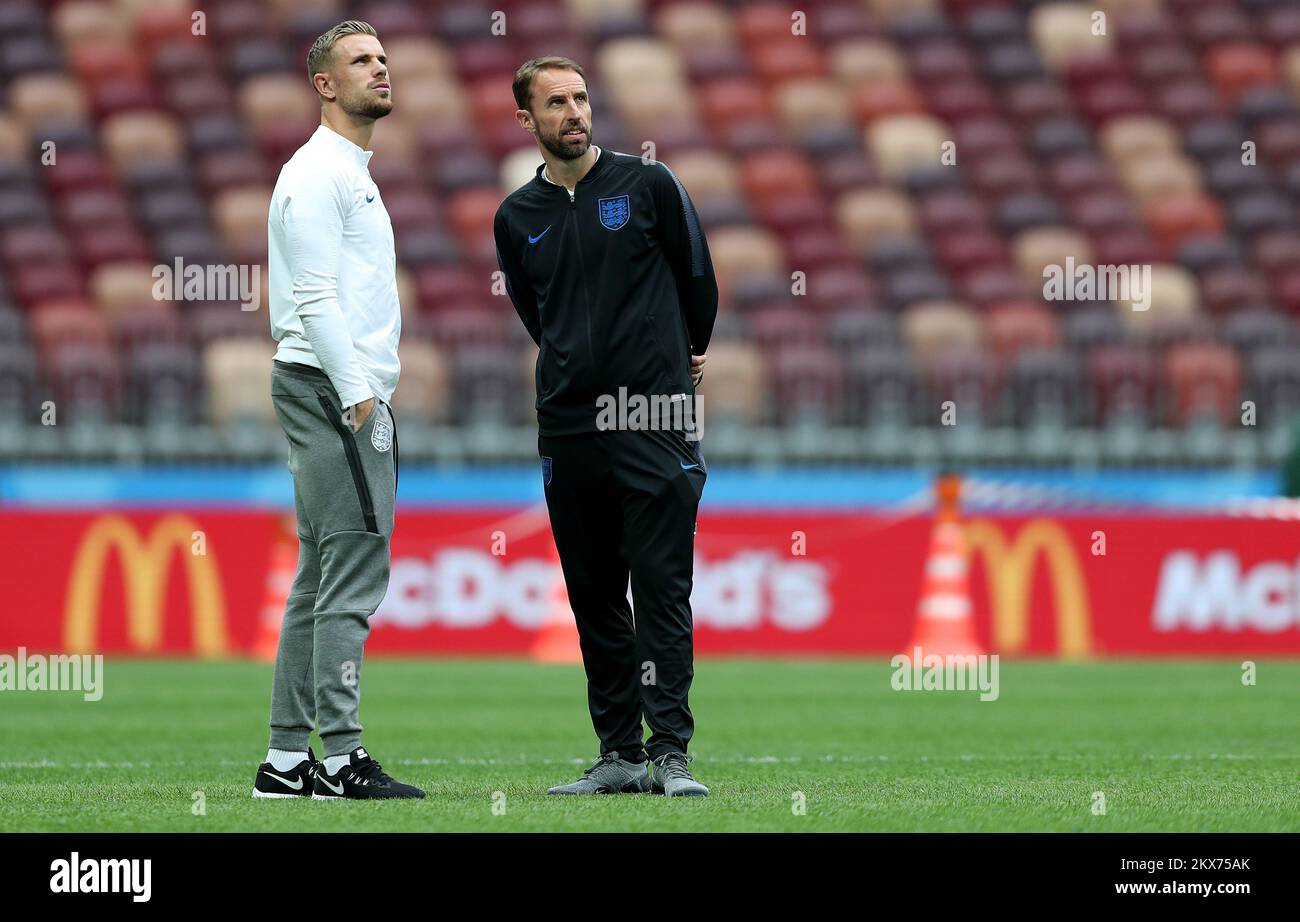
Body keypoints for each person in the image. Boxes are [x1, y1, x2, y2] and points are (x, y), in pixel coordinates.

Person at [493, 57, 719, 796]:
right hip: (568, 428)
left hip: (654, 417)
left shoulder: (648, 184)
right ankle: (619, 752)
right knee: (593, 596)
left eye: (581, 98)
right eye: (555, 103)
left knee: (661, 588)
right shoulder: (515, 218)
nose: (575, 112)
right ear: (527, 121)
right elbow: (538, 315)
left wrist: (683, 364)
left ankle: (671, 751)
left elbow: (698, 282)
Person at [252, 20, 422, 801]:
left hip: (323, 383)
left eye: (384, 58)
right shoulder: (319, 173)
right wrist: (360, 391)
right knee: (353, 573)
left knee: (319, 576)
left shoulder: (342, 169)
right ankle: (345, 757)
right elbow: (316, 295)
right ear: (324, 83)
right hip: (332, 388)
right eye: (361, 61)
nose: (380, 69)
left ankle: (287, 764)